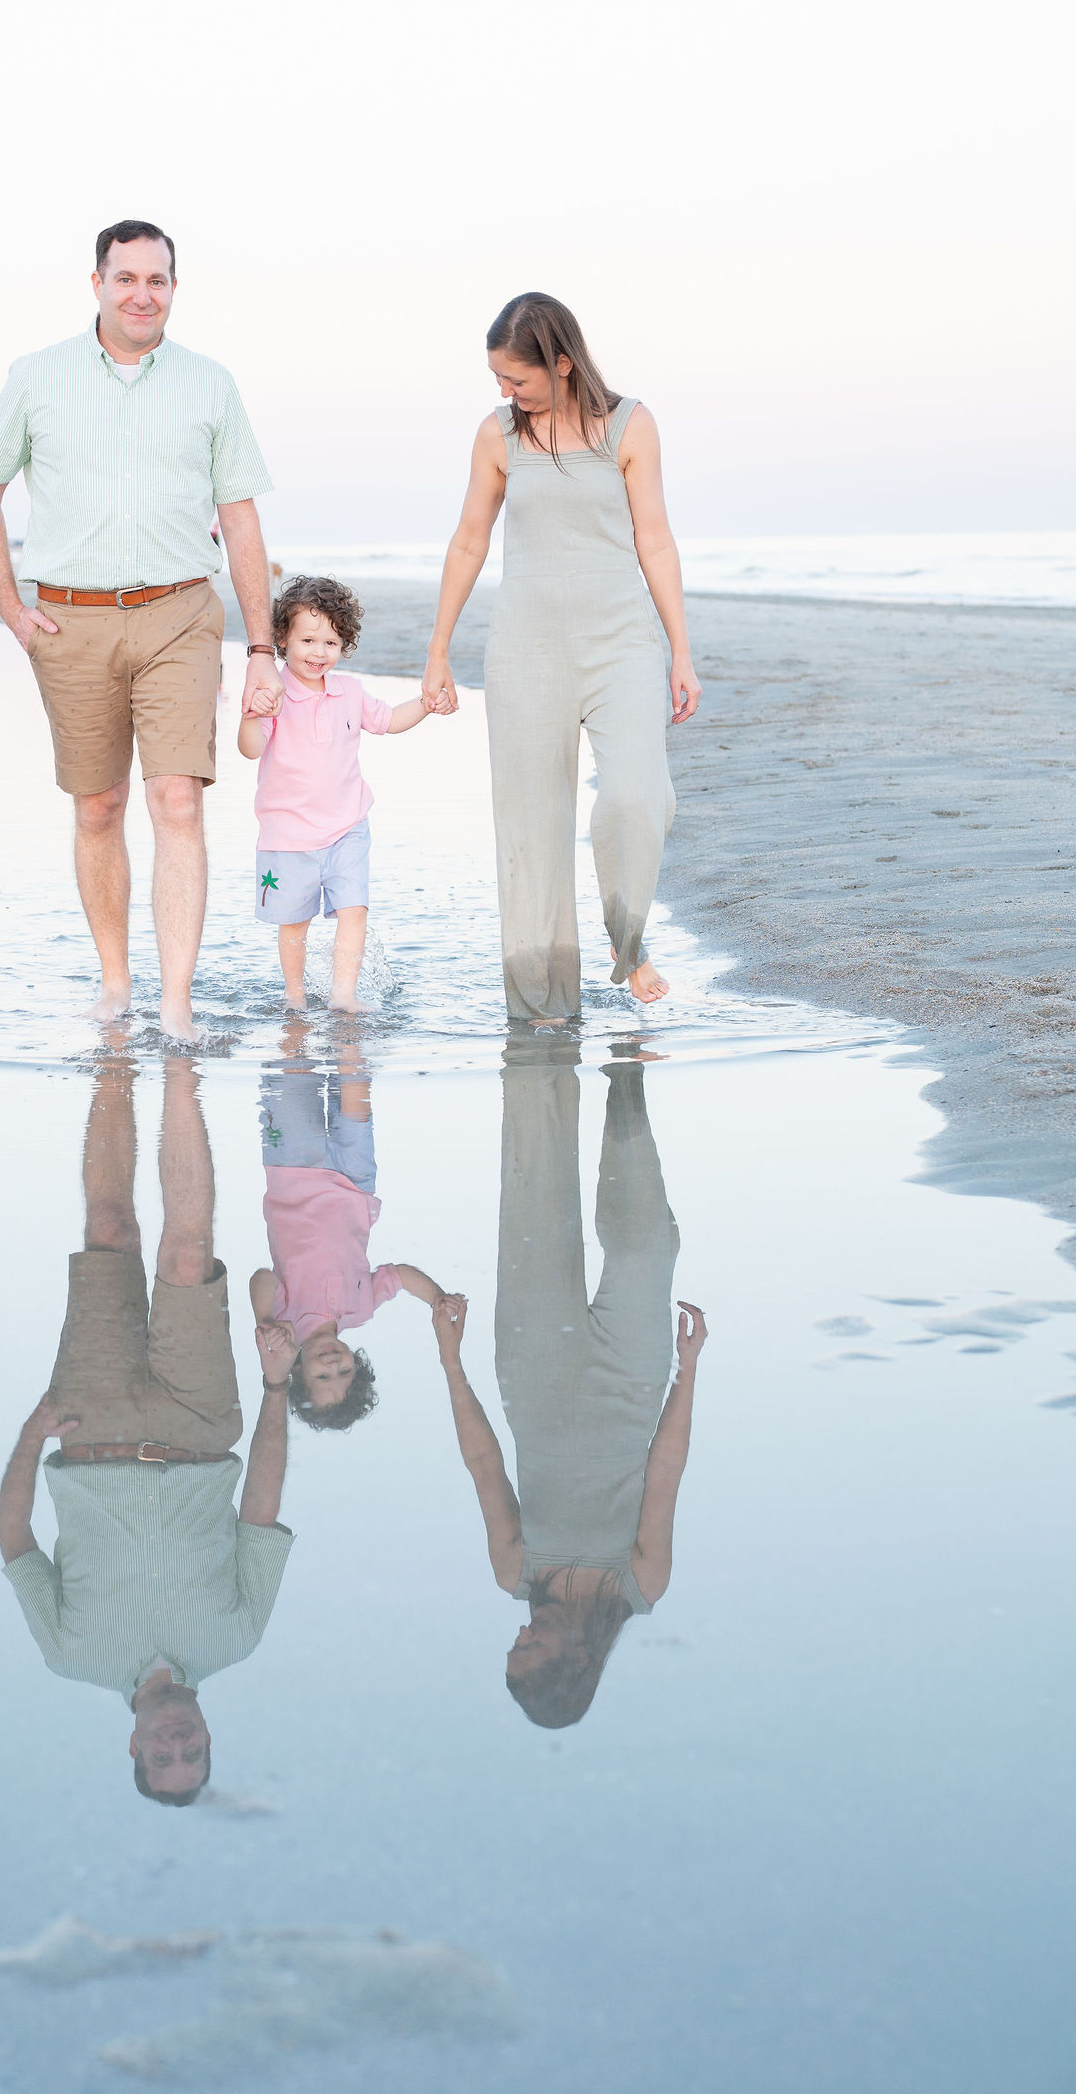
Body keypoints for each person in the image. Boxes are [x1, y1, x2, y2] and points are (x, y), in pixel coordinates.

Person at [0, 221, 284, 1040]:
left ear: (175, 287)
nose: (143, 294)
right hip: (70, 621)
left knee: (177, 800)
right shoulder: (36, 377)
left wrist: (262, 648)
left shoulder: (210, 385)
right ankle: (116, 981)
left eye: (159, 279)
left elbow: (240, 520)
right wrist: (12, 608)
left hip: (181, 611)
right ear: (98, 283)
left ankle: (175, 1002)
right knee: (100, 805)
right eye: (127, 278)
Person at [0, 1054, 295, 1806]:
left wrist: (33, 1434)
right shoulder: (238, 1639)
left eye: (162, 1756)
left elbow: (13, 1538)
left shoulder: (71, 1655)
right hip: (201, 1428)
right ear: (207, 1737)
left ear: (133, 1745)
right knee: (187, 1254)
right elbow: (260, 1509)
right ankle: (182, 1070)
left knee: (111, 1227)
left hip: (87, 1425)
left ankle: (112, 1069)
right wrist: (277, 1386)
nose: (175, 1742)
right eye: (191, 1751)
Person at [421, 294, 701, 1023]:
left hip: (622, 643)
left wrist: (681, 650)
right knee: (531, 832)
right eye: (498, 379)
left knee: (639, 797)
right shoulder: (497, 436)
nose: (504, 393)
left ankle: (628, 941)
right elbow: (469, 542)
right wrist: (438, 650)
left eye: (518, 380)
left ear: (563, 363)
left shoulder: (629, 425)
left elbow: (657, 540)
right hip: (526, 651)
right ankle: (542, 1007)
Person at [430, 1045, 707, 1729]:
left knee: (536, 1188)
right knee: (647, 1244)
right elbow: (666, 1471)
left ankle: (538, 1051)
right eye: (532, 1651)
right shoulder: (642, 1584)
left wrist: (451, 1363)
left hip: (534, 1376)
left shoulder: (515, 1572)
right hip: (631, 1384)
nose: (519, 1636)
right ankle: (625, 1082)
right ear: (577, 1660)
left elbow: (484, 1465)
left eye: (513, 1649)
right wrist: (688, 1368)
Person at [238, 574, 434, 1012]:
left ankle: (343, 995)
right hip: (287, 836)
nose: (318, 652)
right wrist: (251, 715)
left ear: (344, 644)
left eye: (330, 642)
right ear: (283, 638)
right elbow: (250, 750)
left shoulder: (350, 691)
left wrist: (426, 702)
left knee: (354, 910)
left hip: (348, 826)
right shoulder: (274, 692)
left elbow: (389, 721)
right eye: (307, 640)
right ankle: (295, 997)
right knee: (293, 924)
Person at [248, 1023, 447, 1431]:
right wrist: (437, 1300)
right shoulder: (363, 1309)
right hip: (355, 1183)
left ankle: (295, 1000)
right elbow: (401, 1276)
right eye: (345, 1373)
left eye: (322, 1377)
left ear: (299, 1372)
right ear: (357, 1365)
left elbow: (262, 1277)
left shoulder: (285, 1319)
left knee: (293, 1057)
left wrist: (266, 1321)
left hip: (292, 1170)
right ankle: (347, 1011)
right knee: (354, 1078)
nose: (333, 1366)